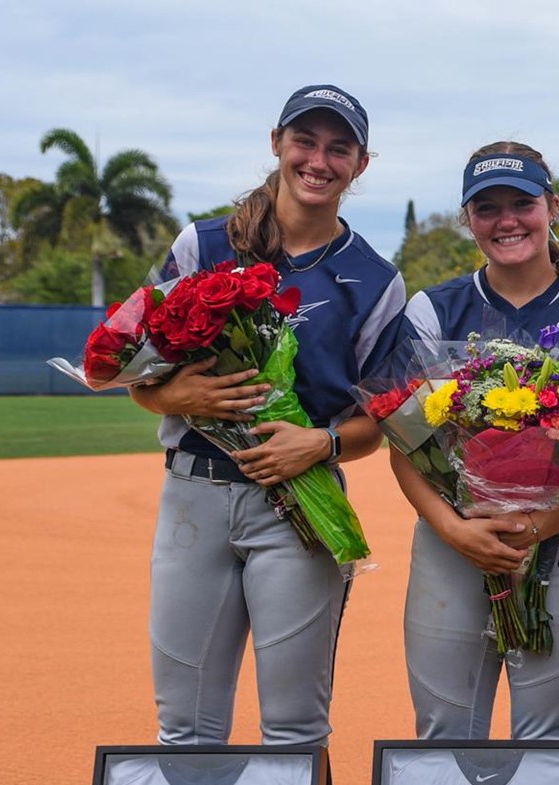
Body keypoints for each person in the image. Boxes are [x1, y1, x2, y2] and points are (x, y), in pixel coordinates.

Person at [130, 84, 405, 748]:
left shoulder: (375, 279)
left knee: (294, 729)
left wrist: (322, 443)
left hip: (301, 503)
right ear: (277, 143)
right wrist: (179, 398)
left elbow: (377, 420)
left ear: (361, 164)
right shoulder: (203, 245)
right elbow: (138, 377)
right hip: (195, 493)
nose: (319, 160)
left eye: (339, 148)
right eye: (305, 141)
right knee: (184, 727)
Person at [383, 143, 559, 740]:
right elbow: (404, 442)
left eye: (522, 203)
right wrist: (456, 531)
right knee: (444, 731)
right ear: (467, 218)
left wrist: (534, 528)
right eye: (487, 207)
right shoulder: (433, 309)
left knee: (551, 736)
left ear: (551, 206)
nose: (507, 221)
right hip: (452, 541)